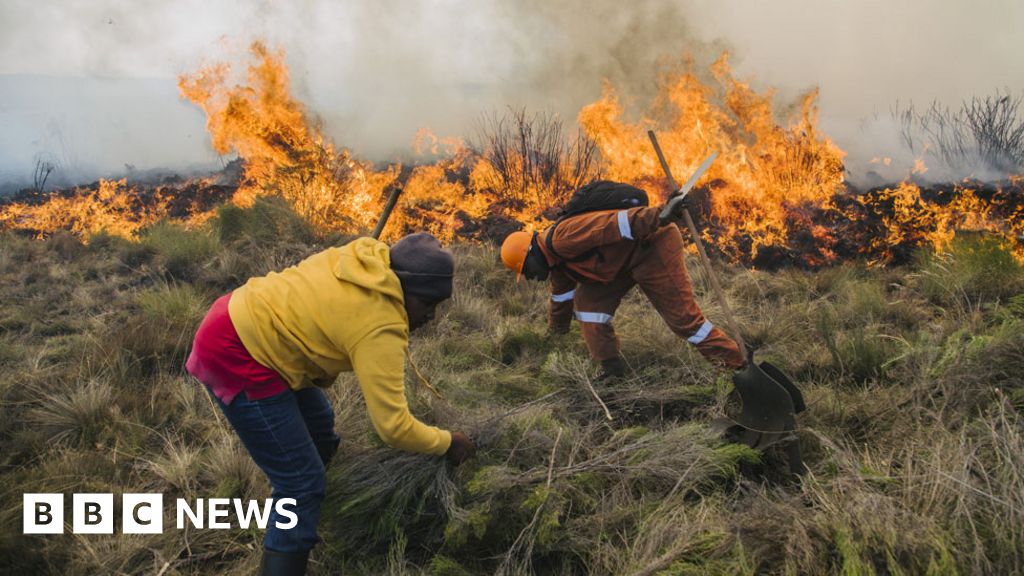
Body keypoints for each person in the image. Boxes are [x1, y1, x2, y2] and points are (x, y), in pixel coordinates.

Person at [185, 232, 476, 576]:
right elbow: (393, 427)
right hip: (237, 349)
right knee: (300, 483)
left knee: (321, 428)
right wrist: (447, 443)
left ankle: (317, 516)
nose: (432, 316)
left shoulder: (366, 257)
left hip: (249, 316)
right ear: (405, 289)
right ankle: (291, 537)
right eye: (427, 304)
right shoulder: (380, 325)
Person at [500, 183, 746, 380]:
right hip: (621, 264)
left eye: (526, 269)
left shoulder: (564, 238)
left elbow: (615, 224)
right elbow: (561, 301)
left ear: (531, 253)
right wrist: (556, 335)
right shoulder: (558, 265)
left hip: (652, 245)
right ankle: (611, 370)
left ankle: (738, 365)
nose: (531, 277)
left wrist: (660, 215)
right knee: (588, 306)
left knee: (685, 321)